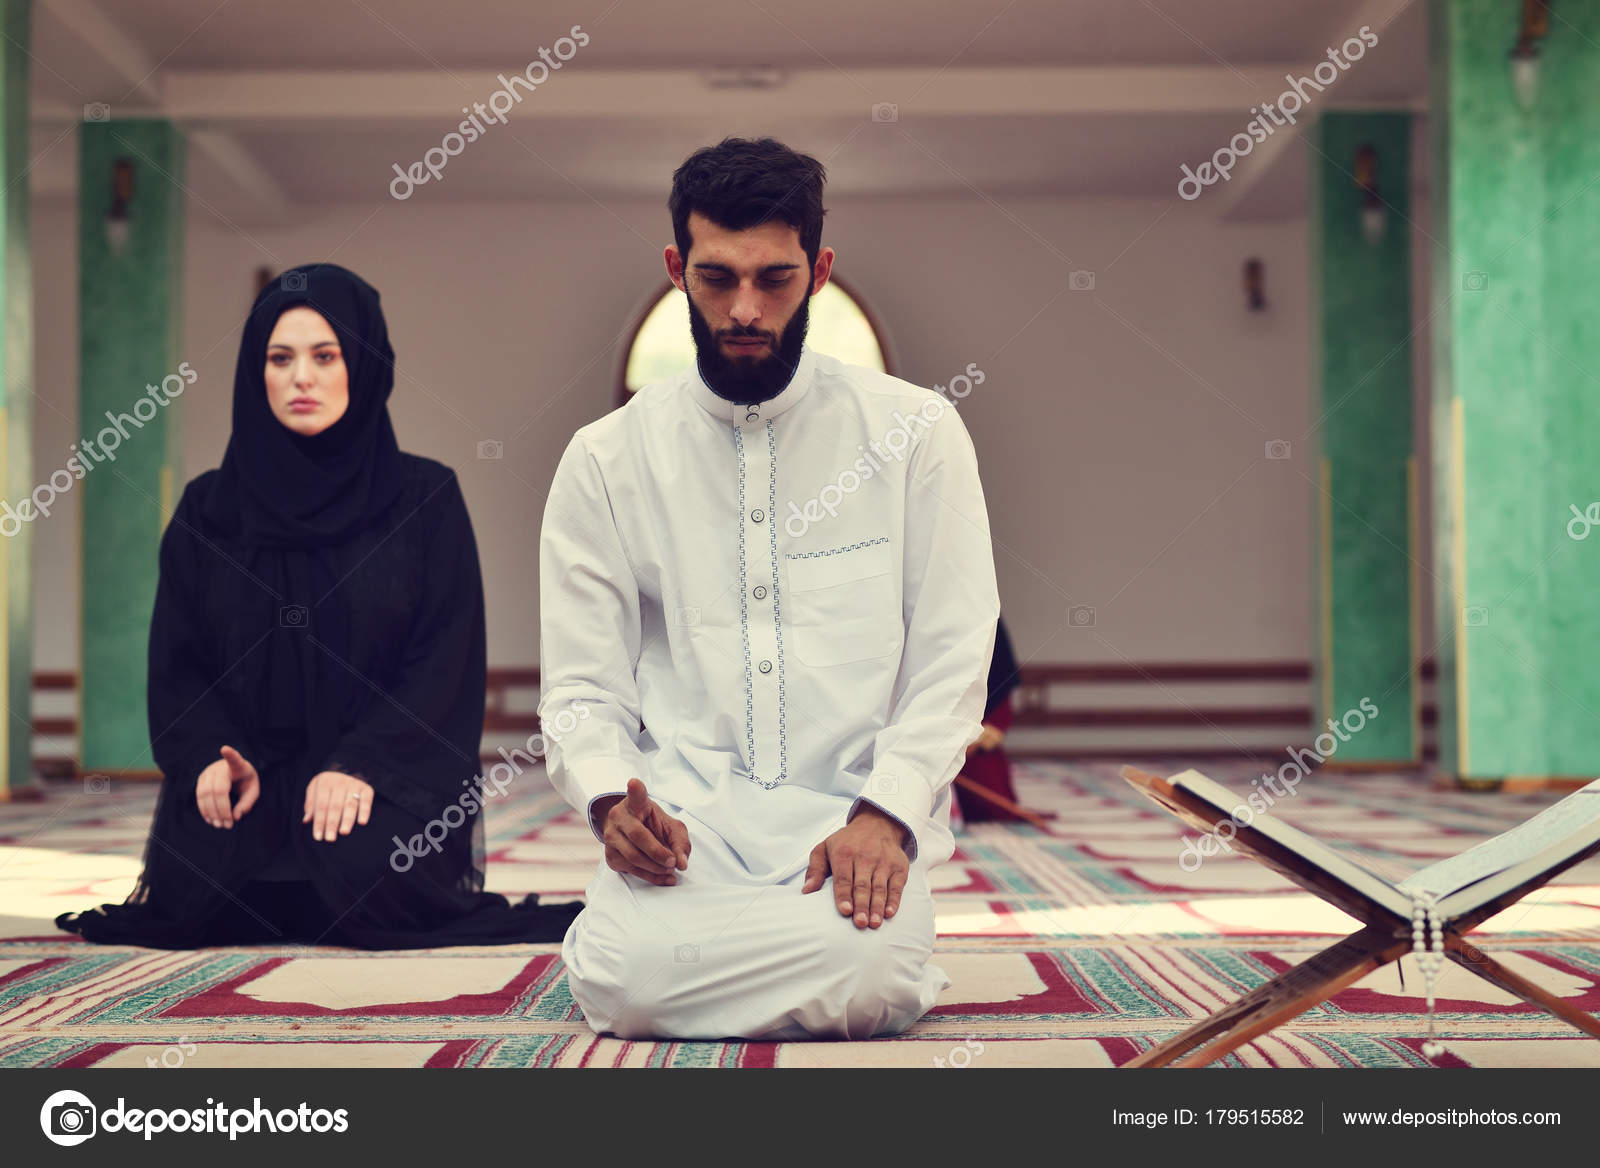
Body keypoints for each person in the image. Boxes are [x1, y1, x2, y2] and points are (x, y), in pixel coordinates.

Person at [539, 138, 999, 1039]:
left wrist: (888, 813)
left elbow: (952, 656)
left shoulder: (916, 433)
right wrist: (606, 801)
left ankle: (846, 946)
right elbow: (583, 686)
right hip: (687, 834)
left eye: (775, 279)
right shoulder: (605, 459)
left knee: (865, 978)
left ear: (820, 270)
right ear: (676, 269)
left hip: (850, 825)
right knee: (625, 988)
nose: (745, 308)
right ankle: (768, 954)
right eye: (717, 278)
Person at [58, 263, 581, 950]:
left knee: (363, 865)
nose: (301, 377)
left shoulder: (423, 502)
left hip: (381, 783)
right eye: (280, 358)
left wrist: (361, 765)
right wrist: (214, 762)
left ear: (363, 368)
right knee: (205, 875)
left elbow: (443, 663)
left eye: (325, 356)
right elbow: (179, 668)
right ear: (257, 373)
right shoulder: (208, 514)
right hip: (254, 775)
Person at [954, 616, 1026, 823]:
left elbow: (1001, 694)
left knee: (989, 808)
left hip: (975, 745)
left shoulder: (987, 621)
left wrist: (972, 742)